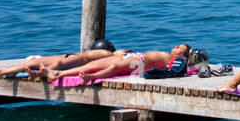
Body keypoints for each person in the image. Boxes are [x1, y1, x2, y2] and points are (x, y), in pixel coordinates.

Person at [41, 43, 195, 83]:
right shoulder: (169, 55)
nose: (176, 46)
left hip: (139, 62)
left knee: (113, 68)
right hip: (132, 57)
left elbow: (174, 70)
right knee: (90, 65)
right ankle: (57, 73)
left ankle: (92, 77)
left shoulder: (177, 60)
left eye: (180, 47)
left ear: (184, 54)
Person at [0, 39, 119, 78]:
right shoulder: (111, 55)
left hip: (72, 57)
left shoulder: (104, 55)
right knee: (34, 62)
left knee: (37, 62)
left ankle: (1, 72)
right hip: (75, 58)